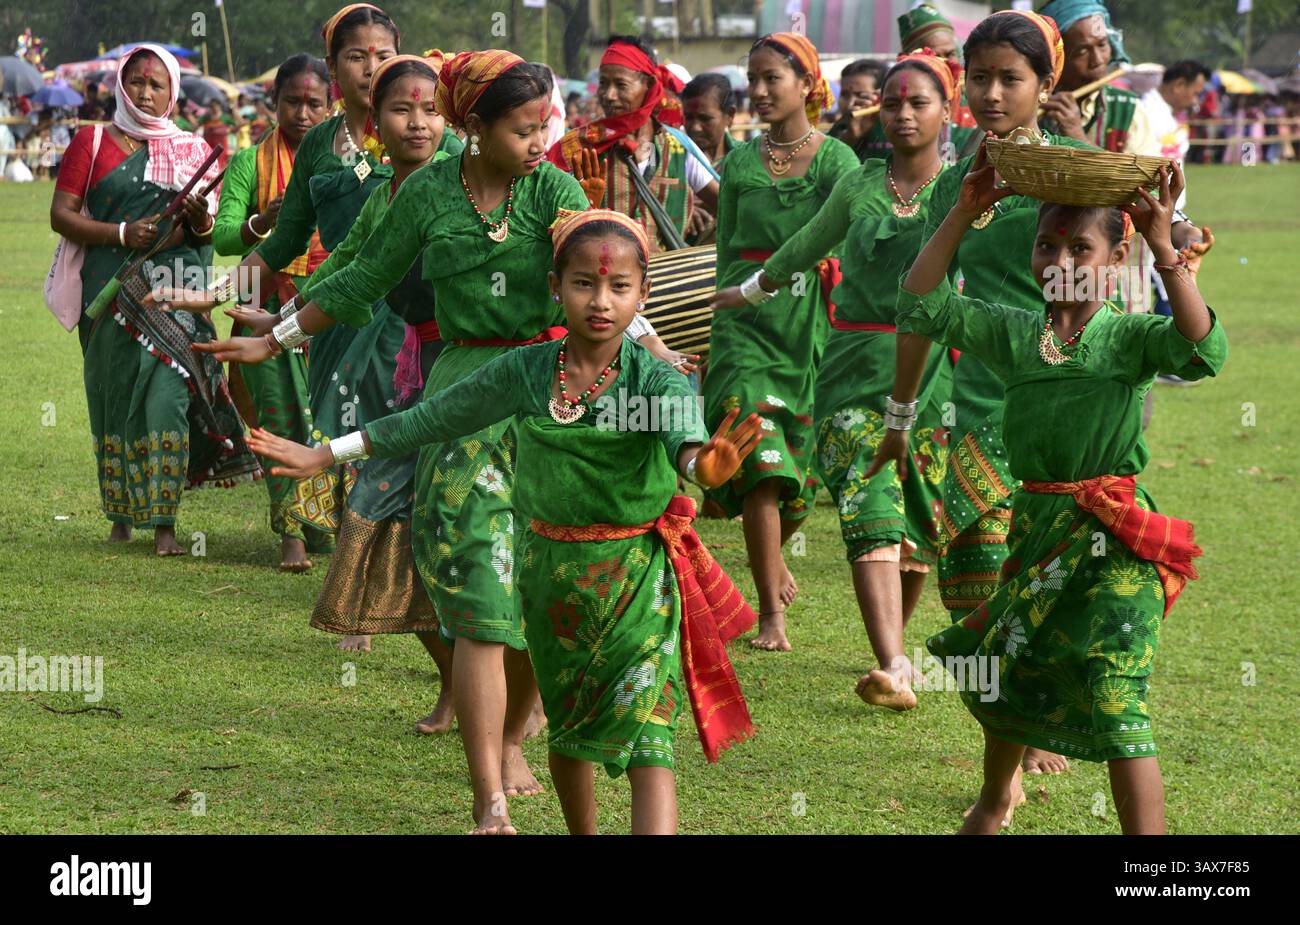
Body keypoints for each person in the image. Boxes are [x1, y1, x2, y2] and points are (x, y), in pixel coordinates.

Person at [246, 209, 764, 834]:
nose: (601, 301)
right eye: (583, 284)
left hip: (636, 586)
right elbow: (432, 418)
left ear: (643, 294)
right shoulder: (527, 370)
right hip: (548, 583)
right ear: (554, 287)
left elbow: (686, 443)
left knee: (648, 744)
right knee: (569, 738)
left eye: (619, 287)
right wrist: (327, 452)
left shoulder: (654, 381)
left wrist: (702, 468)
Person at [196, 49, 589, 835]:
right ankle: (490, 798)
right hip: (459, 405)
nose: (542, 140)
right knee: (480, 599)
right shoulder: (428, 193)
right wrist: (275, 338)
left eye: (546, 124)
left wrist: (646, 341)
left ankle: (517, 733)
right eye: (523, 128)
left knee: (543, 589)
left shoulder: (554, 187)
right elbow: (358, 277)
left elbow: (604, 265)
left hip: (550, 403)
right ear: (474, 127)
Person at [889, 160, 1226, 834]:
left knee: (1114, 691)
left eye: (1081, 247)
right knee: (1012, 679)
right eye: (1048, 245)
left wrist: (1167, 252)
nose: (1061, 259)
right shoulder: (1017, 335)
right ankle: (993, 800)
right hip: (1037, 532)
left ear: (1116, 256)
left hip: (1117, 541)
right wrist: (961, 212)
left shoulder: (1129, 338)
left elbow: (1201, 348)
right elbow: (923, 302)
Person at [188, 53, 459, 735]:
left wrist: (645, 341)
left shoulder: (486, 173)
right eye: (400, 109)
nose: (415, 122)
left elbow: (576, 255)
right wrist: (269, 324)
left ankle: (509, 714)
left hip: (479, 377)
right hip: (364, 336)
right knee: (387, 513)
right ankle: (459, 677)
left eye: (430, 109)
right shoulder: (388, 193)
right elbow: (347, 268)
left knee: (470, 538)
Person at [886, 8, 1094, 785]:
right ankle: (1017, 722)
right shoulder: (957, 180)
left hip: (1063, 407)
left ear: (1047, 83)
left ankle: (1013, 756)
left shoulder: (1082, 168)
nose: (993, 93)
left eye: (1012, 78)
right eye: (980, 77)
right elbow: (921, 303)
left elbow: (1117, 281)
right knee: (975, 590)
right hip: (973, 406)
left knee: (1048, 579)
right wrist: (901, 414)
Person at [713, 49, 960, 704]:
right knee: (867, 501)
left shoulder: (965, 190)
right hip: (852, 369)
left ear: (947, 111)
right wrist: (749, 291)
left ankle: (895, 649)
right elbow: (806, 244)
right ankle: (890, 660)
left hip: (931, 372)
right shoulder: (860, 183)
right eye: (894, 100)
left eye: (919, 102)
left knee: (917, 521)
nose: (903, 113)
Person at [48, 44, 256, 555]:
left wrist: (199, 218)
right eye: (136, 81)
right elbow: (62, 214)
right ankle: (120, 516)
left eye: (156, 84)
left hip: (172, 296)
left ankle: (164, 524)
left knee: (167, 393)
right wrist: (122, 233)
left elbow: (207, 236)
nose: (144, 91)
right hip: (109, 292)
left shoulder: (190, 148)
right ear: (121, 85)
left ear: (172, 93)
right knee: (113, 398)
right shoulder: (91, 140)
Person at [703, 32, 859, 652]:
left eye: (774, 79)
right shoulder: (739, 162)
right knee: (758, 456)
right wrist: (716, 321)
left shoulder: (837, 162)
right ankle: (770, 612)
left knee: (799, 465)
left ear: (807, 84)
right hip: (743, 322)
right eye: (754, 80)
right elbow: (722, 252)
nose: (760, 92)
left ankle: (773, 555)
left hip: (810, 319)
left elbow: (846, 242)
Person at [207, 54, 334, 572]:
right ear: (273, 102)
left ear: (331, 107)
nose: (303, 113)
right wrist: (264, 221)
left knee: (326, 418)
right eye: (292, 102)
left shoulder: (353, 163)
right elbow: (221, 234)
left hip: (330, 308)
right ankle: (291, 537)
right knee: (280, 417)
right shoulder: (249, 162)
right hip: (263, 304)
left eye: (314, 104)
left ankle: (326, 524)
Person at [546, 35, 719, 251]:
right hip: (605, 279)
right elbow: (544, 210)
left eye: (621, 85)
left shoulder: (679, 147)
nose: (608, 95)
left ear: (649, 86)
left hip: (670, 280)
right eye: (603, 83)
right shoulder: (579, 146)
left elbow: (728, 207)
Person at [827, 58, 889, 162]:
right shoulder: (838, 129)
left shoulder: (893, 129)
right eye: (845, 95)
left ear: (879, 95)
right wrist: (850, 138)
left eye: (860, 95)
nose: (850, 104)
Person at [681, 73, 737, 168]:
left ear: (729, 115)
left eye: (705, 119)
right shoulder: (672, 159)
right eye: (688, 117)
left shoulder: (748, 159)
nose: (695, 128)